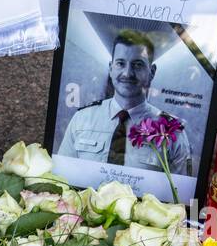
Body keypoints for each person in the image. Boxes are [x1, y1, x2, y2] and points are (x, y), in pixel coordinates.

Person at [57, 28, 193, 174]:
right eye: (120, 63)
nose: (127, 73)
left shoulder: (171, 131)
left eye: (138, 64)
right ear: (110, 68)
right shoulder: (81, 119)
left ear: (152, 72)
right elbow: (61, 177)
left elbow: (180, 193)